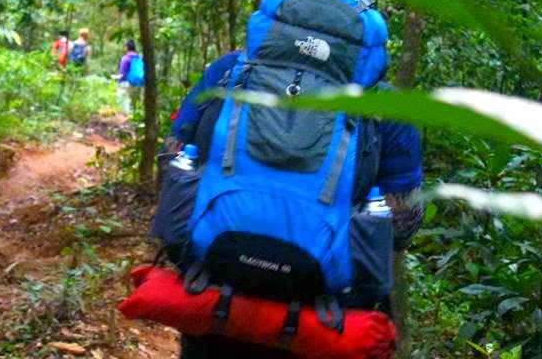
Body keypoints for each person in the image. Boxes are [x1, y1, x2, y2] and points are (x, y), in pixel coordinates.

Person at [165, 52, 423, 358]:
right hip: (326, 317)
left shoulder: (229, 71)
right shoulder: (383, 104)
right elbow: (403, 224)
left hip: (217, 294)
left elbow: (173, 159)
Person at [114, 39, 141, 113]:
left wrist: (115, 77)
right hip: (137, 83)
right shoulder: (139, 57)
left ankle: (125, 119)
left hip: (125, 83)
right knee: (132, 102)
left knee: (121, 102)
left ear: (127, 47)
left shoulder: (125, 58)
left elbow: (122, 74)